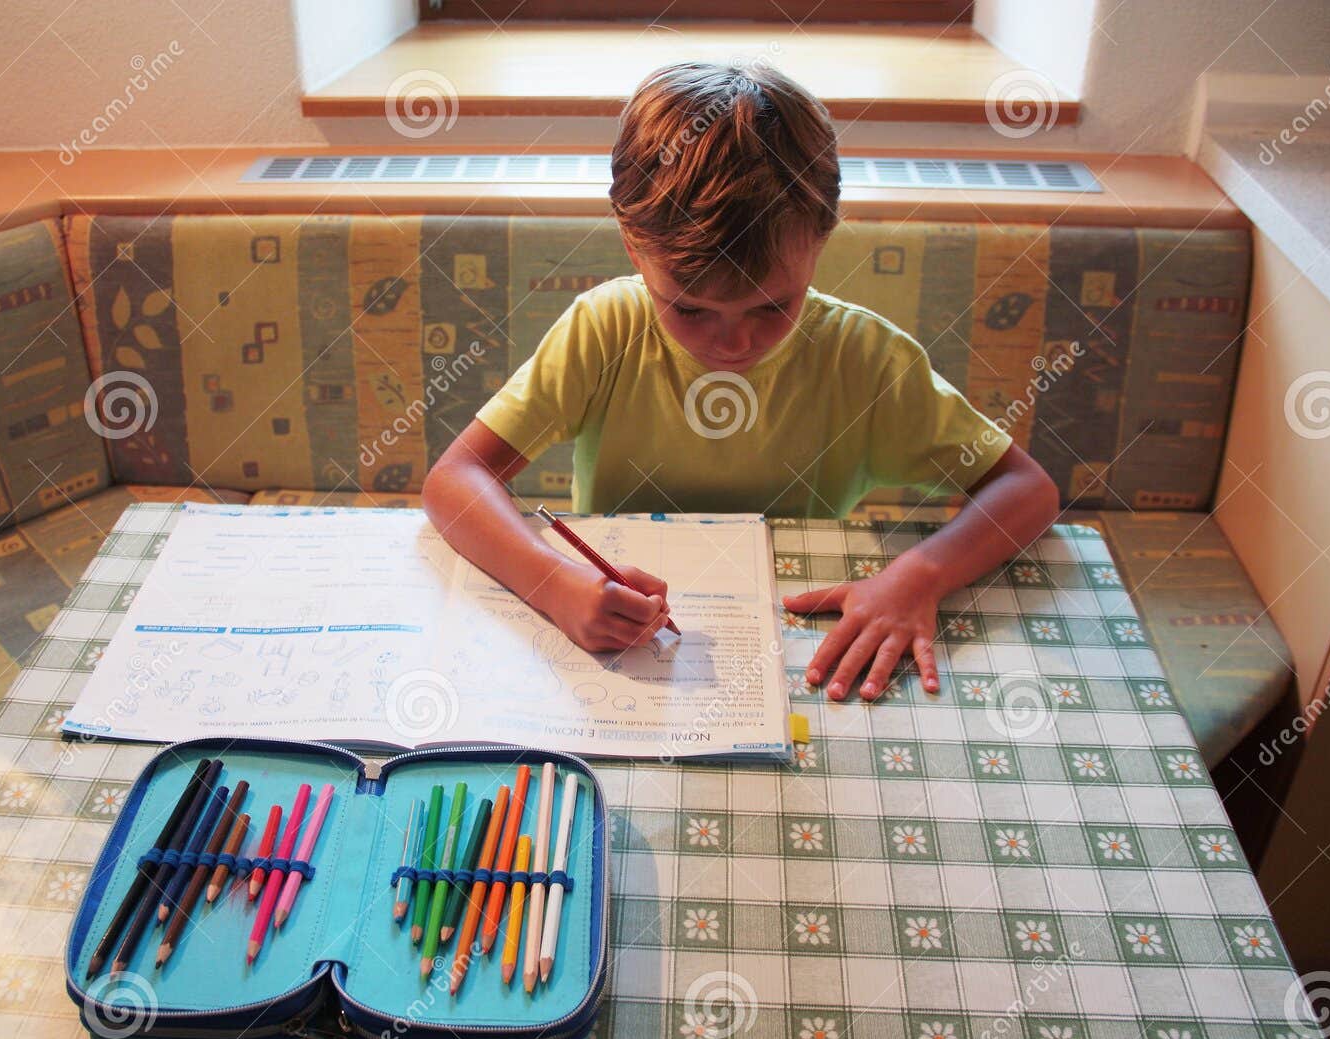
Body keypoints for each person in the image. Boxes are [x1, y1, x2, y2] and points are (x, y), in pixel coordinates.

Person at [422, 61, 1059, 702]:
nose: (733, 344)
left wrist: (918, 576)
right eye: (691, 309)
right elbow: (454, 480)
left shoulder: (865, 359)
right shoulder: (604, 329)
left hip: (792, 645)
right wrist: (552, 583)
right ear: (632, 244)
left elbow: (1024, 489)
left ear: (821, 238)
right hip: (616, 647)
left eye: (771, 307)